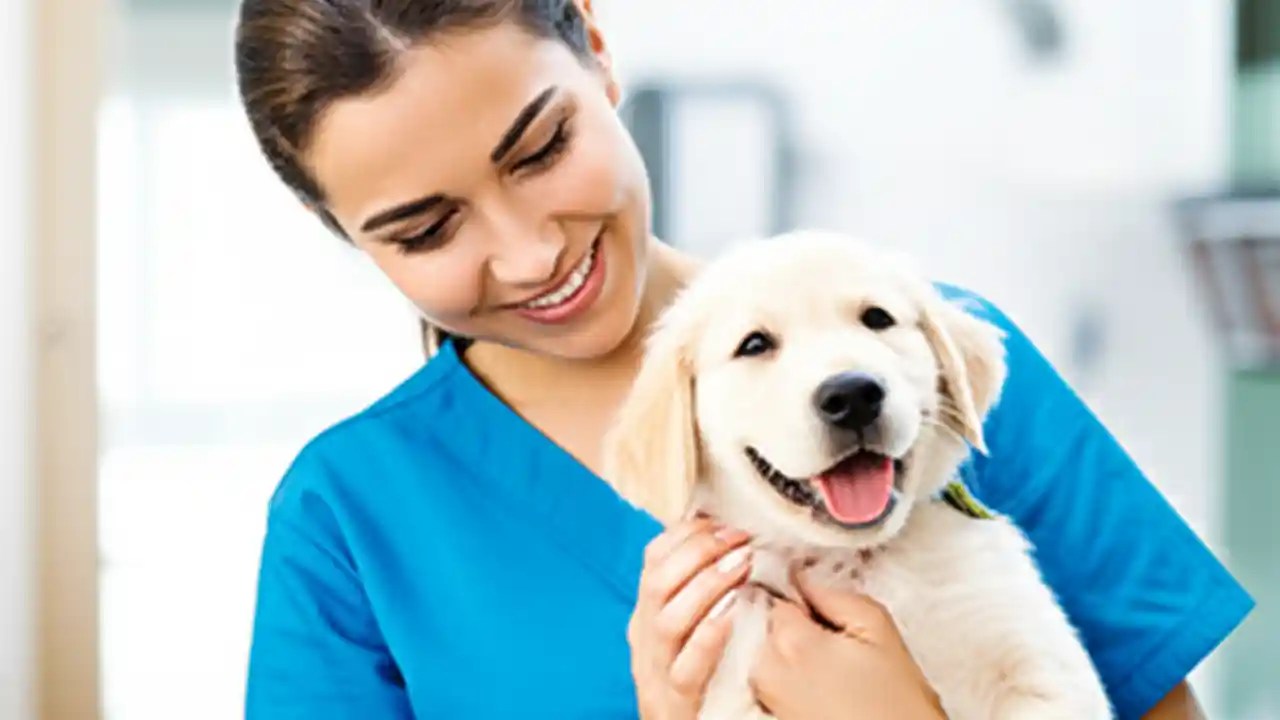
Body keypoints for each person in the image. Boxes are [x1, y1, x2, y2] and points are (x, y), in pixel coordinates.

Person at [233, 1, 1252, 718]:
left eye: (540, 149)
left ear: (594, 44)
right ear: (346, 234)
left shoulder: (931, 369)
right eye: (425, 229)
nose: (530, 252)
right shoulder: (349, 517)